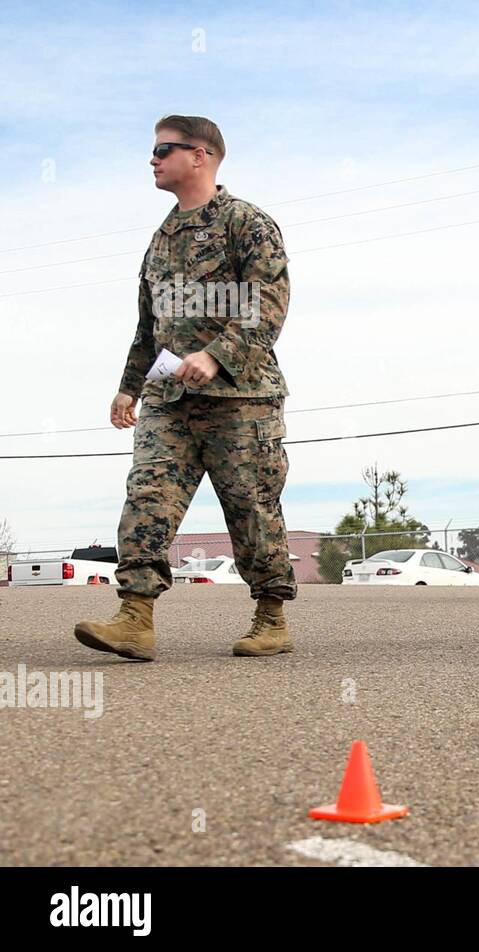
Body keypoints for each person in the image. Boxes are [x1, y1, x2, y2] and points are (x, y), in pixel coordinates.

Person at [75, 115, 295, 661]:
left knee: (251, 508)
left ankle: (271, 617)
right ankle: (134, 618)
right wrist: (129, 387)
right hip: (167, 401)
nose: (153, 159)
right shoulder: (161, 239)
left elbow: (268, 304)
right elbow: (150, 326)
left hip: (241, 401)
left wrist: (216, 356)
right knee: (147, 497)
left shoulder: (247, 223)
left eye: (164, 150)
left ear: (201, 156)